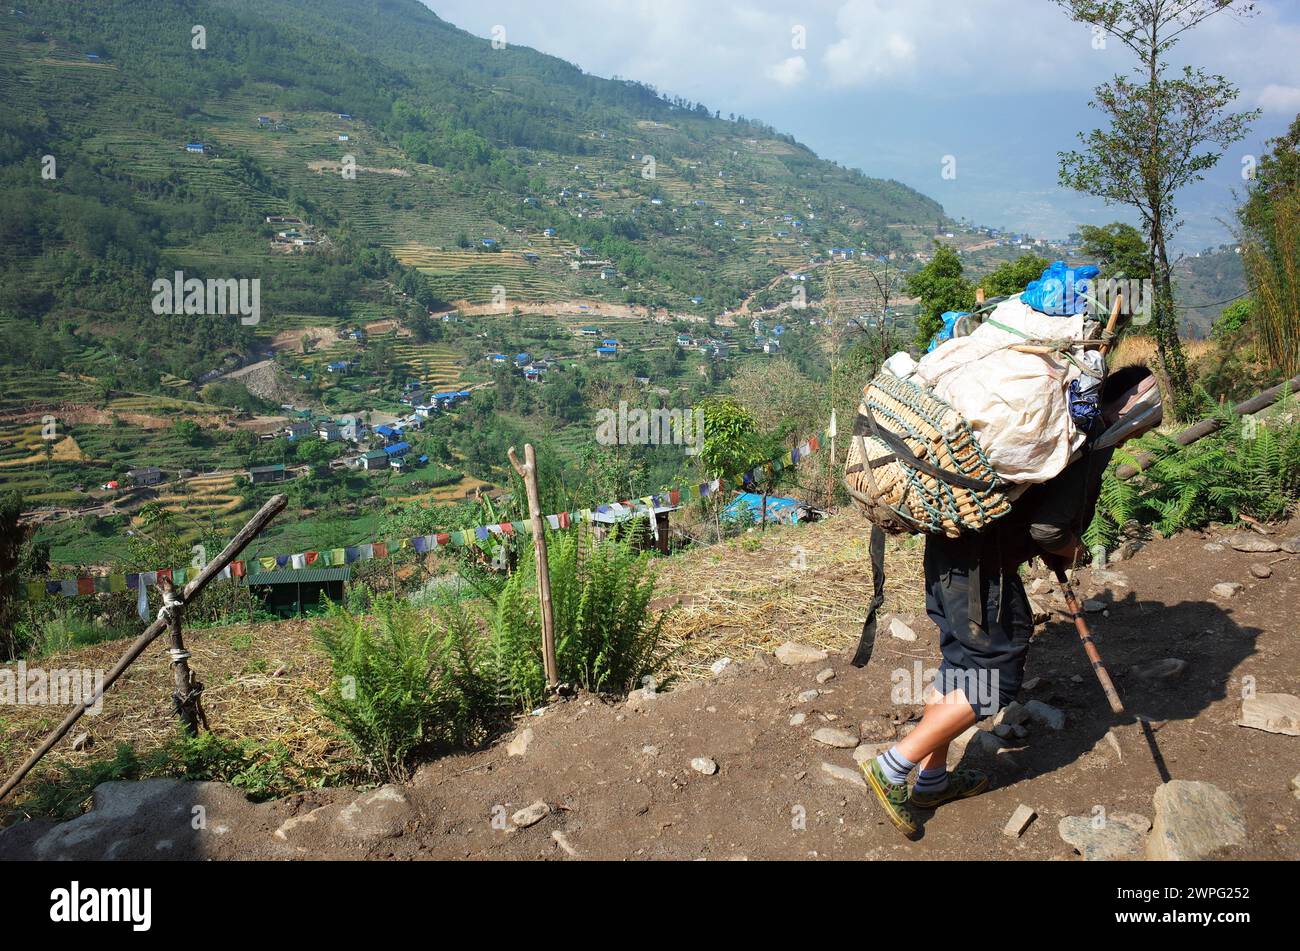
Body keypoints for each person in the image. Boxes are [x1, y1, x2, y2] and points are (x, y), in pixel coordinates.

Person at [862, 364, 1161, 838]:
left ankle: (934, 779)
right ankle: (895, 766)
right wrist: (1073, 549)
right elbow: (1049, 528)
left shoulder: (1061, 425)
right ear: (1131, 416)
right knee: (994, 680)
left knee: (962, 662)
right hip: (983, 572)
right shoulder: (1086, 445)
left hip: (948, 551)